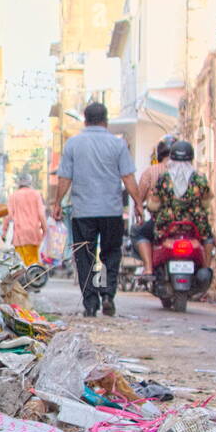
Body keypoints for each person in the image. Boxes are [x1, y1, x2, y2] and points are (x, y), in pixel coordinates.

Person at [52, 102, 145, 316]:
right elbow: (128, 177)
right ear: (106, 121)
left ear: (85, 120)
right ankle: (107, 294)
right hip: (111, 211)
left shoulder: (73, 144)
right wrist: (138, 203)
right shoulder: (117, 144)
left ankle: (90, 302)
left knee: (85, 257)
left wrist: (57, 203)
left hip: (83, 212)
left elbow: (65, 177)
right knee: (110, 254)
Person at [150, 139, 213, 240]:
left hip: (167, 226)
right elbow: (206, 202)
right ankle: (209, 256)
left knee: (154, 239)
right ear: (191, 158)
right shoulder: (200, 178)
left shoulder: (163, 178)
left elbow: (153, 204)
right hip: (195, 225)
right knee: (208, 238)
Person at [130, 136, 174, 274]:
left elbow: (139, 198)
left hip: (161, 222)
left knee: (137, 232)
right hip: (188, 222)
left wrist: (139, 212)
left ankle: (148, 267)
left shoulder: (151, 171)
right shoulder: (191, 172)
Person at [2, 172, 48, 266]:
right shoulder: (36, 195)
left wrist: (3, 232)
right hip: (33, 233)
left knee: (22, 265)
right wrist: (45, 229)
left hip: (19, 235)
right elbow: (41, 214)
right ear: (30, 182)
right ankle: (34, 278)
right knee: (34, 263)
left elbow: (8, 216)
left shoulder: (13, 196)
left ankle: (27, 279)